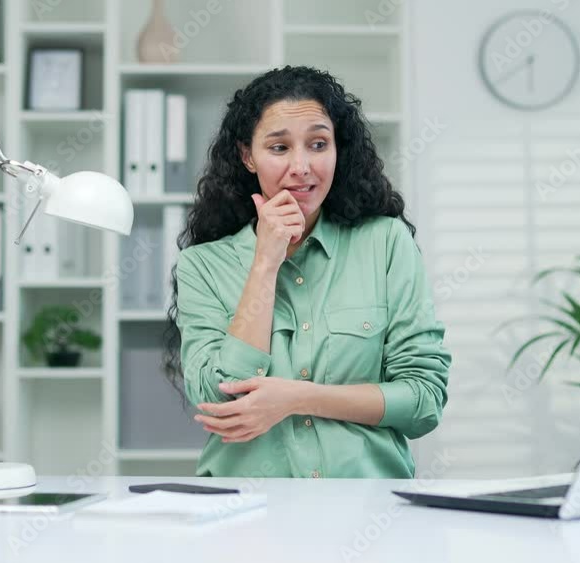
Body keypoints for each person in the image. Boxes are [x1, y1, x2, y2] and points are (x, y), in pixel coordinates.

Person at [162, 66, 451, 478]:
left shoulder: (386, 243)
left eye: (318, 144)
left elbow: (423, 401)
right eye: (279, 148)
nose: (301, 166)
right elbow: (219, 399)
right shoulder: (203, 266)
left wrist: (296, 398)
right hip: (249, 516)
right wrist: (265, 261)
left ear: (337, 149)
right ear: (248, 155)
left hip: (369, 512)